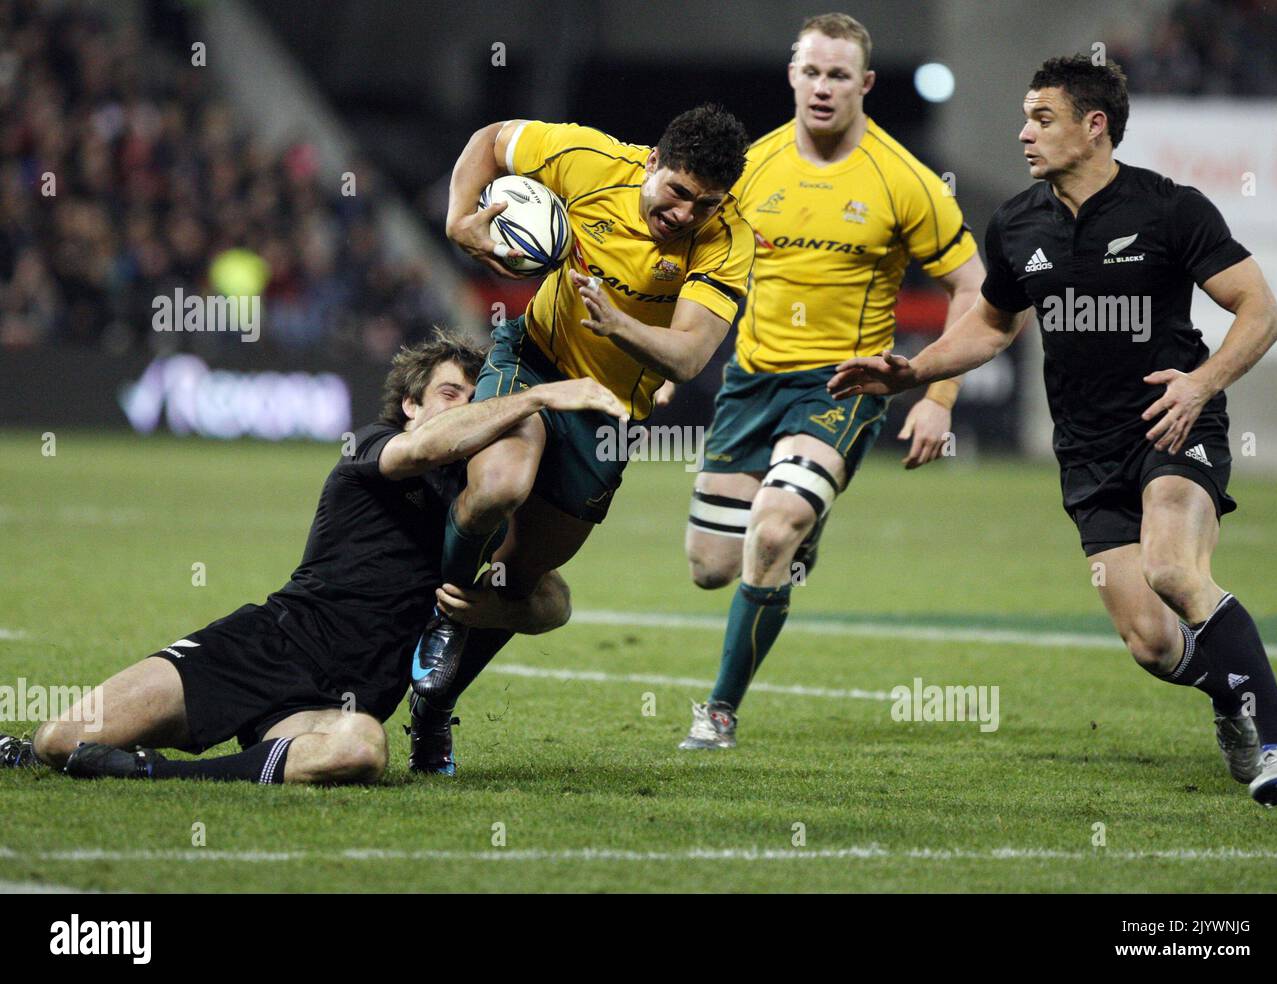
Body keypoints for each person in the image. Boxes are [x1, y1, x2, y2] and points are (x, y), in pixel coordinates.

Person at [828, 55, 1277, 806]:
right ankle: (1232, 694)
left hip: (1174, 420)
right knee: (1149, 641)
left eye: (1041, 118)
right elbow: (990, 324)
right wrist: (914, 375)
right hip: (1087, 446)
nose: (1024, 133)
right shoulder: (1017, 224)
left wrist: (1202, 384)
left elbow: (1261, 310)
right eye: (1024, 117)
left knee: (1174, 571)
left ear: (1094, 126)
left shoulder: (1170, 209)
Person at [0, 334, 625, 784]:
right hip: (263, 648)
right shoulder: (376, 451)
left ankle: (152, 774)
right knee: (59, 740)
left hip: (340, 705)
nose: (463, 408)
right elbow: (426, 447)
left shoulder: (480, 512)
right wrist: (536, 398)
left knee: (363, 749)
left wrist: (495, 608)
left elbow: (554, 601)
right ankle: (45, 753)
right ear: (411, 404)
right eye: (449, 394)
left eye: (473, 396)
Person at [676, 13, 984, 749]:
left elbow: (975, 290)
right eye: (811, 71)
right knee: (710, 568)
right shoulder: (750, 169)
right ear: (791, 75)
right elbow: (702, 268)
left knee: (773, 527)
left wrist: (938, 396)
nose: (822, 87)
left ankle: (719, 711)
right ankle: (804, 518)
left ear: (865, 84)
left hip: (841, 385)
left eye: (839, 74)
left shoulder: (904, 180)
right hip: (751, 382)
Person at [411, 105, 755, 703]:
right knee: (498, 487)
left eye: (706, 204)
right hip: (535, 357)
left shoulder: (726, 241)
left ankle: (437, 705)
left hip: (610, 411)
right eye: (678, 193)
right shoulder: (590, 161)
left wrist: (617, 324)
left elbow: (689, 357)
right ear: (652, 162)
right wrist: (457, 220)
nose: (685, 215)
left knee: (519, 584)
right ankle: (442, 613)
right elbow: (491, 140)